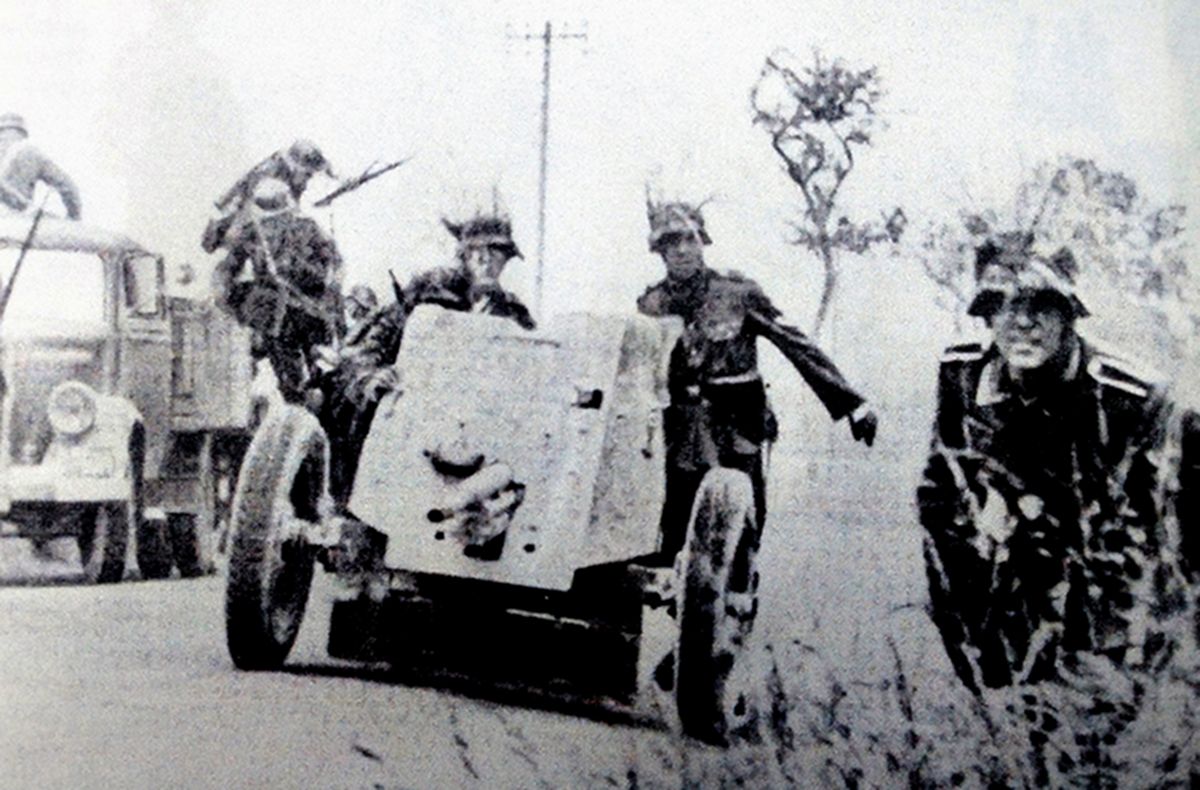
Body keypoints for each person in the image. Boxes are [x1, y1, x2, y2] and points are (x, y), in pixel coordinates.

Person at [917, 231, 1187, 694]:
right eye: (1003, 304)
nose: (1022, 322)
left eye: (1040, 304)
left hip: (1107, 569)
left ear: (1068, 315)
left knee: (1098, 708)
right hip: (1012, 568)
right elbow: (940, 493)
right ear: (986, 315)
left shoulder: (1131, 398)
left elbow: (1162, 535)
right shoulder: (963, 373)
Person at [636, 199, 877, 559]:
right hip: (680, 431)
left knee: (739, 526)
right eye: (672, 243)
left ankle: (739, 597)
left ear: (703, 241)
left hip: (736, 428)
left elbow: (794, 343)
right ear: (659, 250)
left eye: (689, 239)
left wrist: (851, 404)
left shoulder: (736, 292)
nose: (683, 250)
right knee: (674, 530)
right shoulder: (650, 305)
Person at [214, 177, 344, 404]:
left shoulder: (252, 232)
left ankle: (301, 406)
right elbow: (335, 264)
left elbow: (226, 273)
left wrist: (236, 306)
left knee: (292, 383)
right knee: (321, 374)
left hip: (278, 317)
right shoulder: (308, 227)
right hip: (309, 313)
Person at [403, 213, 536, 329]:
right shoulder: (430, 289)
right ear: (464, 255)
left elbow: (530, 348)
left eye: (497, 253)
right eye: (475, 250)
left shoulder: (511, 308)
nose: (486, 259)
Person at [202, 139, 335, 253]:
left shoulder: (294, 177)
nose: (309, 179)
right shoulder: (269, 171)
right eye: (307, 174)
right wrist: (235, 226)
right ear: (295, 167)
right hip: (241, 213)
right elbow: (247, 198)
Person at [0, 113, 82, 220]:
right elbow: (68, 187)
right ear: (23, 133)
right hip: (19, 225)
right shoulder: (33, 153)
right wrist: (73, 217)